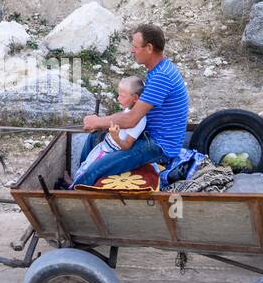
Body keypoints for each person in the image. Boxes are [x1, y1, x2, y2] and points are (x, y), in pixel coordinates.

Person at [70, 23, 190, 188]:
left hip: (159, 145)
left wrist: (97, 121)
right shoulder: (159, 70)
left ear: (148, 47)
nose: (132, 51)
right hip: (148, 134)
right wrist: (101, 124)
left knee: (98, 168)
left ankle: (75, 192)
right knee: (94, 138)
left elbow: (132, 119)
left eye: (135, 46)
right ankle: (79, 178)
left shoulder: (162, 77)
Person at [70, 75, 146, 187]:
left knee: (89, 169)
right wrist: (100, 126)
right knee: (85, 165)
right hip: (105, 145)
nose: (118, 98)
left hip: (111, 150)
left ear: (135, 98)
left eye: (122, 96)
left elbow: (127, 146)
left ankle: (72, 190)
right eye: (118, 95)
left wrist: (115, 137)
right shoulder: (127, 110)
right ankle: (72, 183)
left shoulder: (139, 119)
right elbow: (115, 123)